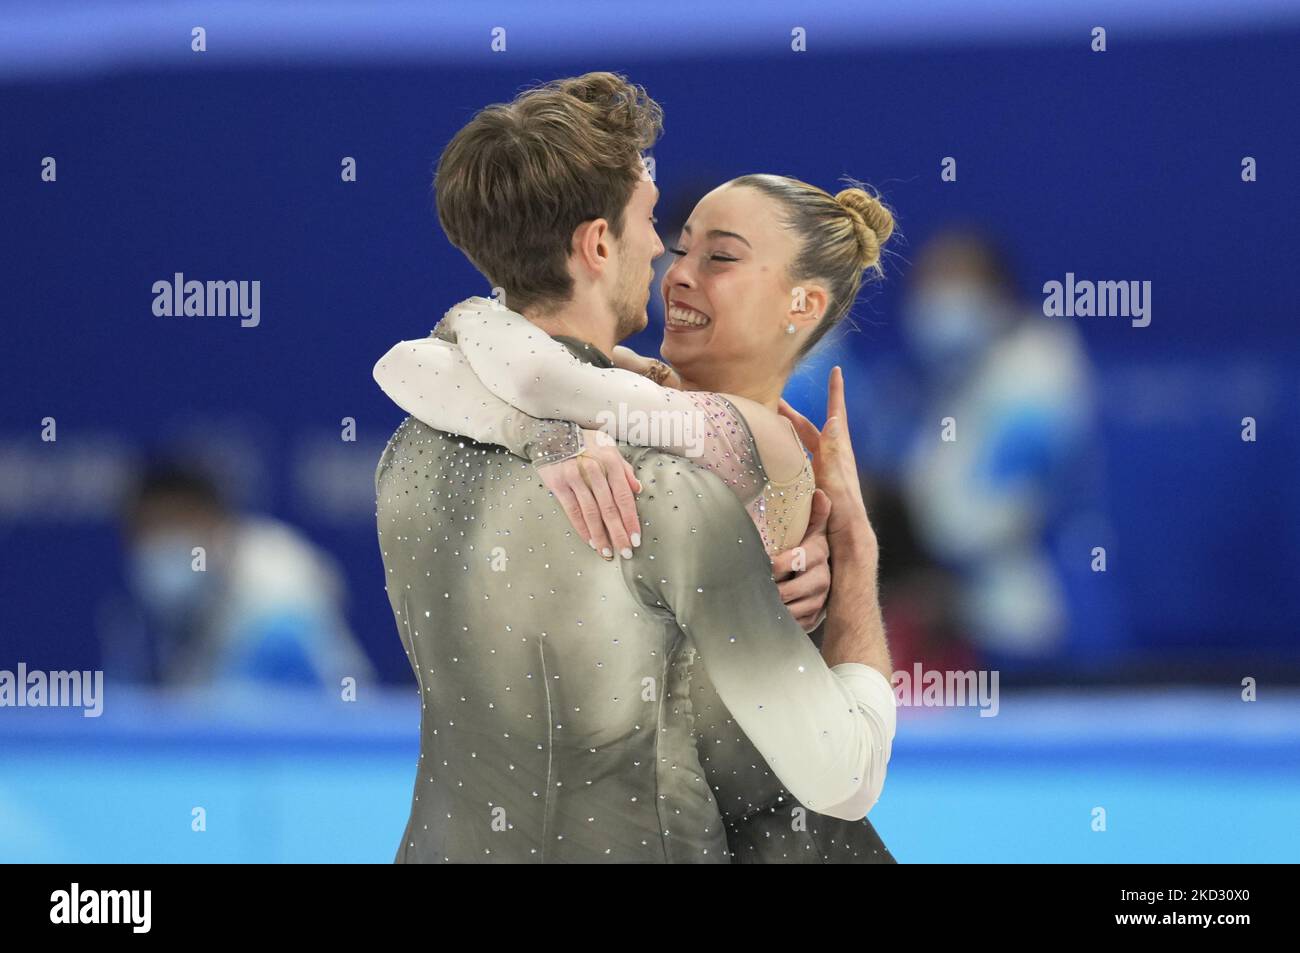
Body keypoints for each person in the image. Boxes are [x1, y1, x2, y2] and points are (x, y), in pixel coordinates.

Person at [373, 72, 895, 863]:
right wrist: (854, 560)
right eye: (659, 229)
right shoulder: (669, 484)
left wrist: (530, 426)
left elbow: (430, 358)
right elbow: (837, 777)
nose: (665, 258)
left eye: (713, 254)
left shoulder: (409, 447)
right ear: (596, 244)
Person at [107, 459, 373, 691]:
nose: (165, 544)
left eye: (178, 525)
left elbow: (304, 713)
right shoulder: (145, 608)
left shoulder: (280, 581)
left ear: (217, 524)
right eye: (152, 529)